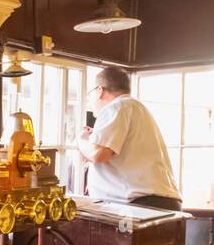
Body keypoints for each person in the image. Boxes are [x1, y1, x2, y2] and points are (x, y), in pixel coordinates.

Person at [77, 67, 182, 211]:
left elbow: (98, 154)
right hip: (159, 202)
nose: (91, 101)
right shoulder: (136, 108)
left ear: (99, 91)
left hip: (142, 205)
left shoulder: (116, 107)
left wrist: (82, 140)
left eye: (90, 94)